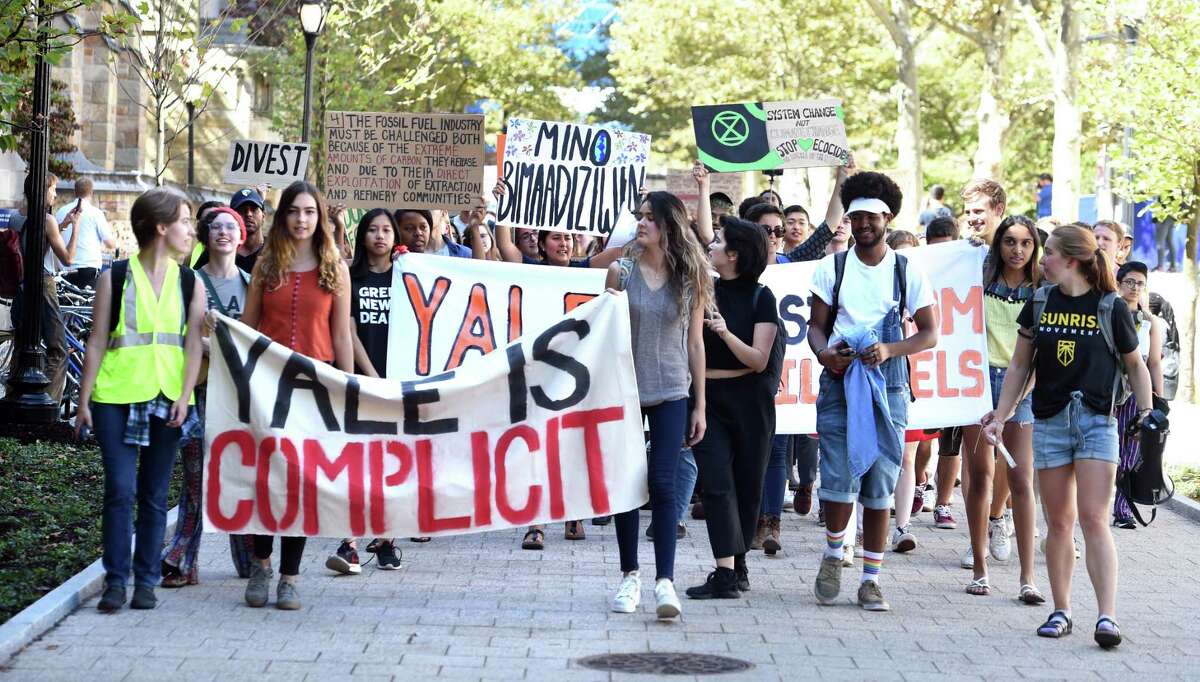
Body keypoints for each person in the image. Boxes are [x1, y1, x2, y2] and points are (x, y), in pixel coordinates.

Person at [985, 224, 1152, 648]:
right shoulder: (1041, 301)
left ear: (1072, 260)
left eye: (1051, 254)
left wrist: (1148, 414)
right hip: (1051, 421)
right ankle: (1061, 611)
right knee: (1058, 521)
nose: (1043, 261)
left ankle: (1107, 617)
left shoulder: (1110, 306)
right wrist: (1000, 416)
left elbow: (1135, 365)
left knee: (1095, 518)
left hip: (1097, 420)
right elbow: (1021, 367)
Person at [806, 171, 938, 612]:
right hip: (841, 382)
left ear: (887, 218)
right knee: (839, 475)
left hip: (890, 385)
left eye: (870, 217)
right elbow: (816, 328)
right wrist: (826, 356)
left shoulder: (906, 269)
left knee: (881, 481)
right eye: (855, 216)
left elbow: (930, 333)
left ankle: (871, 578)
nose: (861, 224)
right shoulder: (833, 266)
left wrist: (890, 349)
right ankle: (832, 553)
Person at [74, 189, 206, 611]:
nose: (192, 230)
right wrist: (83, 401)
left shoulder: (190, 281)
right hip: (114, 396)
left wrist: (186, 396)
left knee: (152, 495)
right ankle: (116, 581)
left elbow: (194, 346)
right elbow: (96, 342)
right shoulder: (113, 276)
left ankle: (145, 581)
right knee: (120, 490)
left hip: (167, 397)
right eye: (185, 221)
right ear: (161, 227)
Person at [240, 181, 354, 610]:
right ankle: (261, 564)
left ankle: (290, 575)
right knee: (266, 478)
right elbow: (247, 329)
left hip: (315, 386)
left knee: (300, 483)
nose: (302, 219)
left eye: (310, 212)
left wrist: (347, 388)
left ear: (319, 217)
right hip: (267, 386)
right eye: (294, 211)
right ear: (283, 215)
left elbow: (341, 335)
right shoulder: (267, 266)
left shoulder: (334, 267)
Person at [607, 191, 711, 620]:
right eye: (640, 216)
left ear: (670, 224)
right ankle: (629, 576)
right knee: (628, 486)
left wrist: (700, 404)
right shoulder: (620, 272)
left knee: (664, 484)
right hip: (624, 391)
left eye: (651, 217)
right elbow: (604, 335)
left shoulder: (692, 277)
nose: (642, 222)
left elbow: (695, 343)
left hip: (672, 390)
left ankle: (664, 581)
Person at [684, 216, 778, 600]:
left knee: (746, 485)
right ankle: (725, 573)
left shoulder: (762, 297)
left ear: (735, 255)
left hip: (750, 401)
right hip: (707, 398)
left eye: (719, 242)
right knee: (717, 485)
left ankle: (737, 566)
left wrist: (725, 332)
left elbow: (758, 359)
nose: (712, 245)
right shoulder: (703, 290)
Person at [160, 207, 252, 587]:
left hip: (243, 400)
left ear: (242, 235)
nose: (224, 233)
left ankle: (251, 557)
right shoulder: (189, 282)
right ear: (204, 236)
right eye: (216, 228)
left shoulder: (253, 283)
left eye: (232, 227)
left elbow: (262, 340)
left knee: (243, 476)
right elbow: (175, 337)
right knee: (196, 479)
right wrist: (208, 347)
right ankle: (182, 560)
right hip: (198, 394)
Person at [959, 216, 1044, 603]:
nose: (1017, 250)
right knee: (979, 476)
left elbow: (1038, 354)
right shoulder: (979, 276)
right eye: (1010, 241)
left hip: (1022, 385)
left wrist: (1016, 400)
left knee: (1021, 478)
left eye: (1026, 243)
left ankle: (1028, 577)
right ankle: (980, 567)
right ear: (999, 244)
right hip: (976, 380)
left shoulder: (1042, 288)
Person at [323, 208, 407, 575]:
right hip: (362, 381)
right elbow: (349, 331)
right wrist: (370, 374)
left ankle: (387, 542)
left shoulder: (408, 276)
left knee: (390, 466)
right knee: (355, 463)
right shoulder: (351, 279)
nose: (379, 236)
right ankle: (350, 543)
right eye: (372, 229)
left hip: (400, 385)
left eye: (386, 229)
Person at [8, 172, 80, 403]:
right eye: (53, 189)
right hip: (43, 284)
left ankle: (14, 399)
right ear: (42, 190)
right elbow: (68, 258)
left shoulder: (15, 217)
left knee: (22, 348)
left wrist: (62, 225)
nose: (55, 194)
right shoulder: (47, 220)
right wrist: (75, 227)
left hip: (21, 286)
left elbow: (33, 241)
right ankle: (46, 404)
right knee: (58, 350)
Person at [1111, 261, 1164, 529]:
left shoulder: (1150, 322)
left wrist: (1159, 402)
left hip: (1136, 392)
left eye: (1140, 283)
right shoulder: (1107, 310)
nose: (1134, 287)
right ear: (1119, 282)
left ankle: (1122, 509)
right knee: (1110, 449)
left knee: (1131, 450)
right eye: (1129, 281)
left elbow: (1154, 362)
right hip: (1109, 388)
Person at [55, 177, 116, 289]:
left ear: (75, 191)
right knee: (87, 306)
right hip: (88, 270)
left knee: (67, 306)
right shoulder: (96, 213)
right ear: (91, 192)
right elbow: (110, 244)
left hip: (64, 271)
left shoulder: (61, 212)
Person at [961, 179, 1006, 243]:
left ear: (999, 209)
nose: (971, 219)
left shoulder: (1017, 248)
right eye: (968, 213)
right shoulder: (963, 250)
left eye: (978, 211)